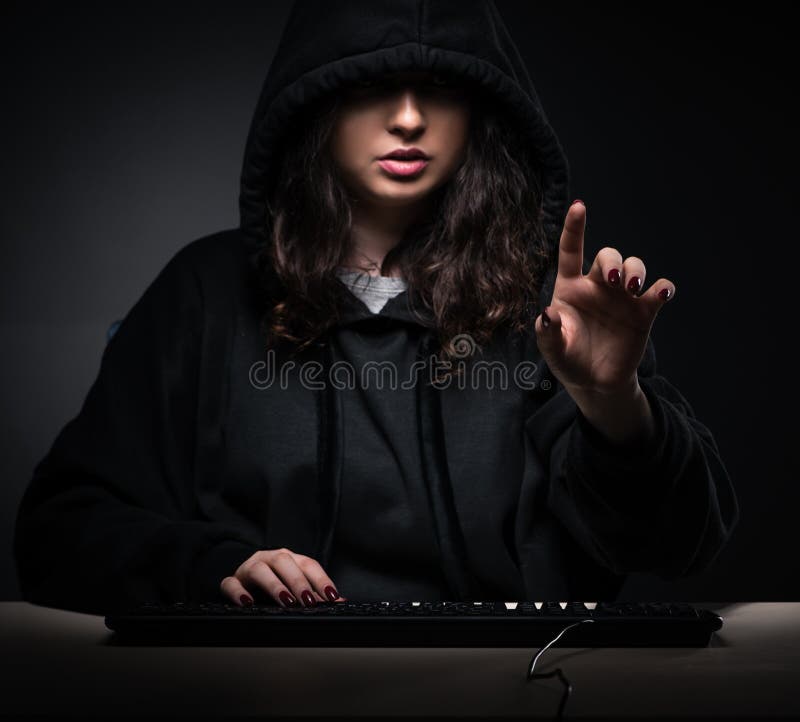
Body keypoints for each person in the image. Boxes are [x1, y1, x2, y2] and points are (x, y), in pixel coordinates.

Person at [13, 0, 739, 616]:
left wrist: (616, 405)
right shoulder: (203, 294)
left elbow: (682, 547)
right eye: (372, 86)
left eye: (438, 88)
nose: (408, 118)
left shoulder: (548, 309)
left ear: (482, 109)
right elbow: (55, 535)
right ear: (316, 100)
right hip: (254, 696)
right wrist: (208, 565)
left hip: (505, 696)